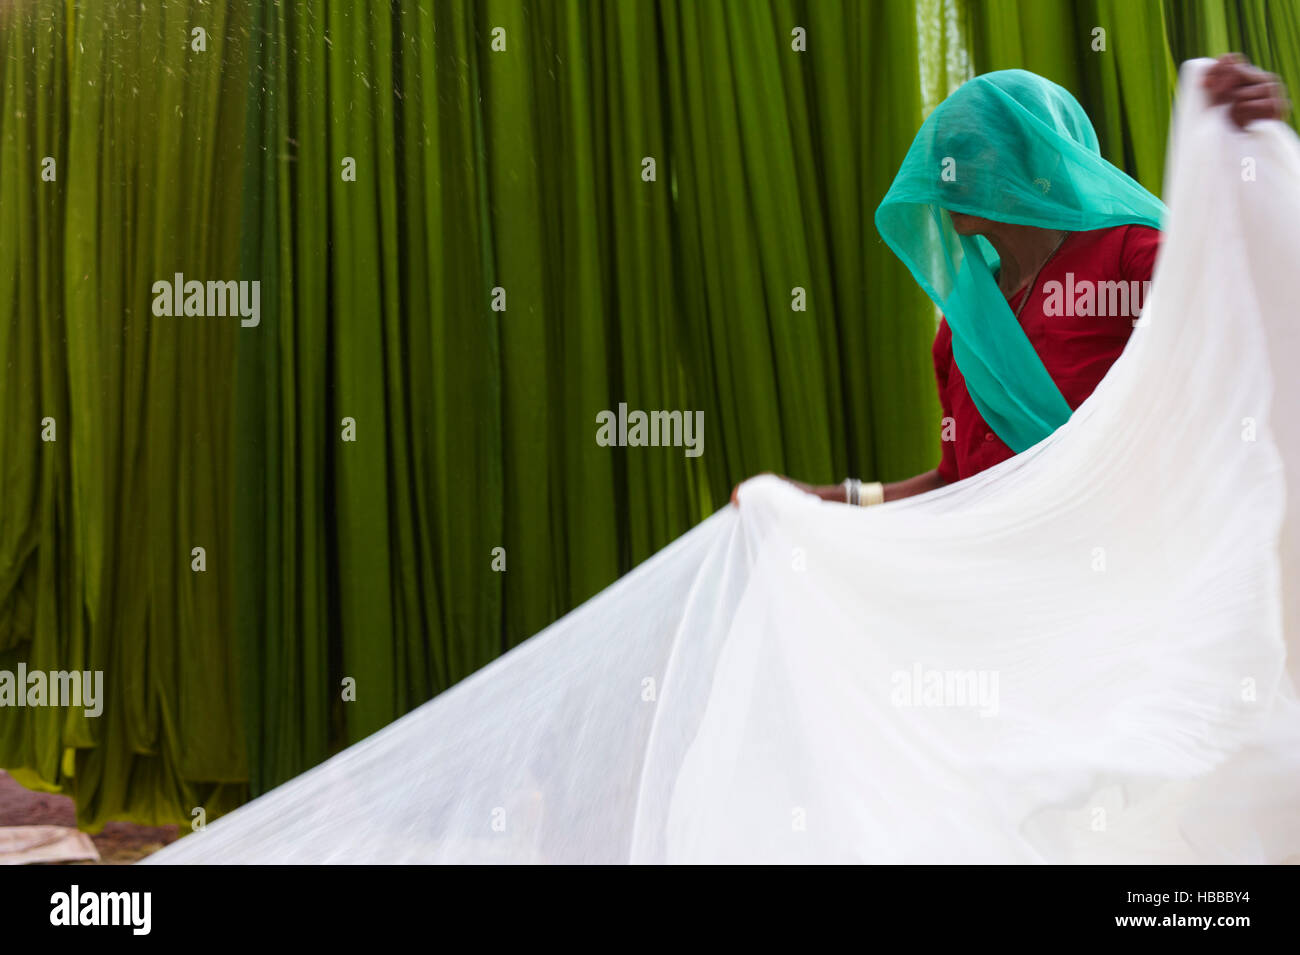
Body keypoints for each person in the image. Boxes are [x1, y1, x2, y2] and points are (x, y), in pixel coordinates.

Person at [732, 53, 1289, 508]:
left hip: (1127, 578)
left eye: (969, 148)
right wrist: (822, 501)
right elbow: (962, 484)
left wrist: (1246, 149)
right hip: (1014, 596)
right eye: (942, 153)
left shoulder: (1128, 254)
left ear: (1038, 154)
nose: (945, 169)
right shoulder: (961, 331)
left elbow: (1249, 316)